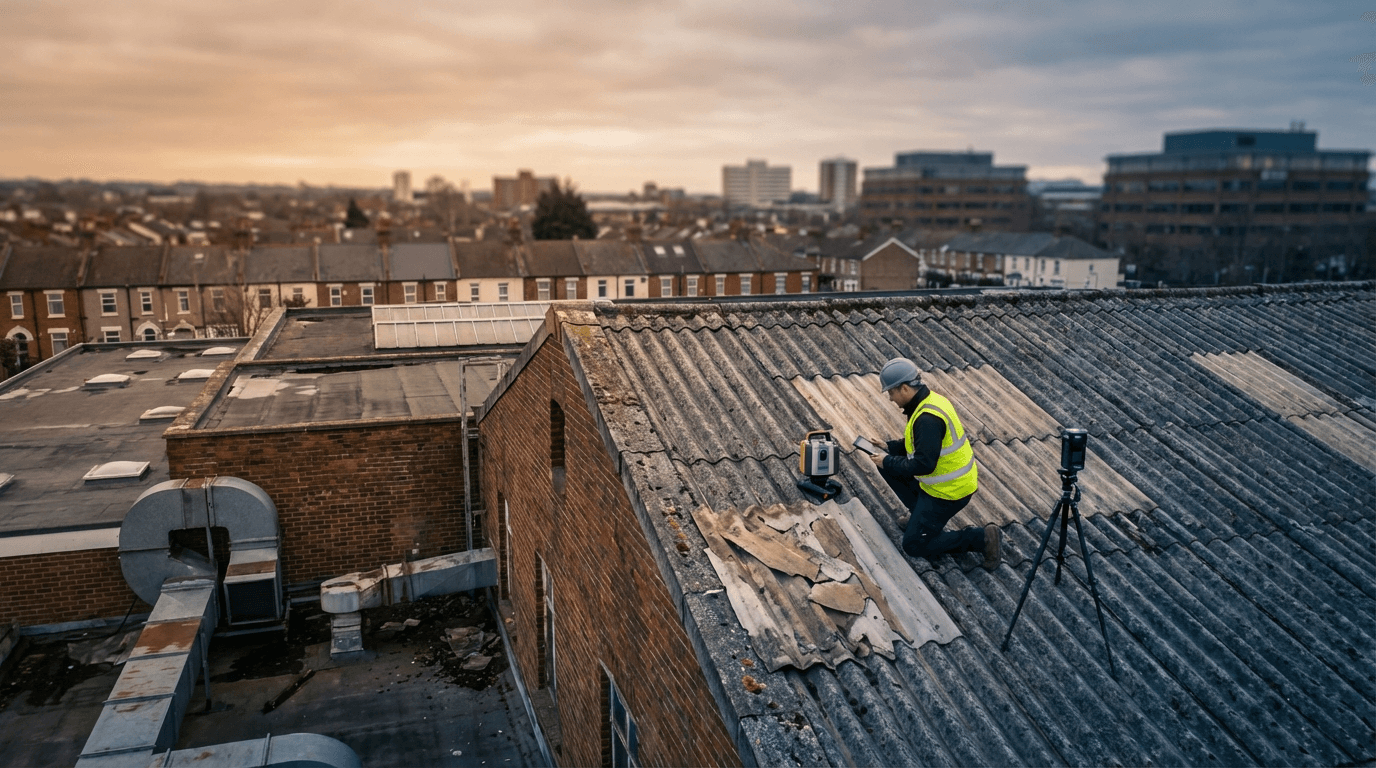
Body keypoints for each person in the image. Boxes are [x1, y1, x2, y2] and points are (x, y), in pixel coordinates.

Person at [867, 357, 1000, 570]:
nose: (891, 399)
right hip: (942, 484)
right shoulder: (929, 401)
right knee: (887, 466)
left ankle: (981, 537)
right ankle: (921, 518)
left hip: (948, 492)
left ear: (904, 388)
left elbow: (923, 464)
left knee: (913, 546)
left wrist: (889, 461)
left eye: (891, 393)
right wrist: (889, 447)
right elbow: (920, 443)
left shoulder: (927, 418)